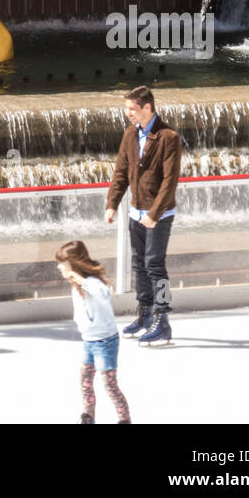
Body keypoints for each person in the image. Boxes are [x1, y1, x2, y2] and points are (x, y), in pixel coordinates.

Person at [104, 85, 180, 346]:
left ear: (148, 107)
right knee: (139, 264)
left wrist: (156, 213)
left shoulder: (168, 136)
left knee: (155, 265)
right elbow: (121, 172)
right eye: (126, 109)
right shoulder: (130, 134)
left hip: (159, 214)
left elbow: (170, 182)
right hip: (136, 212)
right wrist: (112, 203)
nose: (128, 114)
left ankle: (163, 320)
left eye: (132, 109)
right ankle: (145, 313)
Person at [56, 240, 131, 425]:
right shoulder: (77, 285)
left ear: (73, 263)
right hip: (89, 342)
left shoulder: (92, 282)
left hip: (105, 342)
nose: (58, 267)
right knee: (85, 381)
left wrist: (78, 277)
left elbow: (104, 293)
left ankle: (124, 420)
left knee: (109, 385)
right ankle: (88, 417)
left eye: (62, 263)